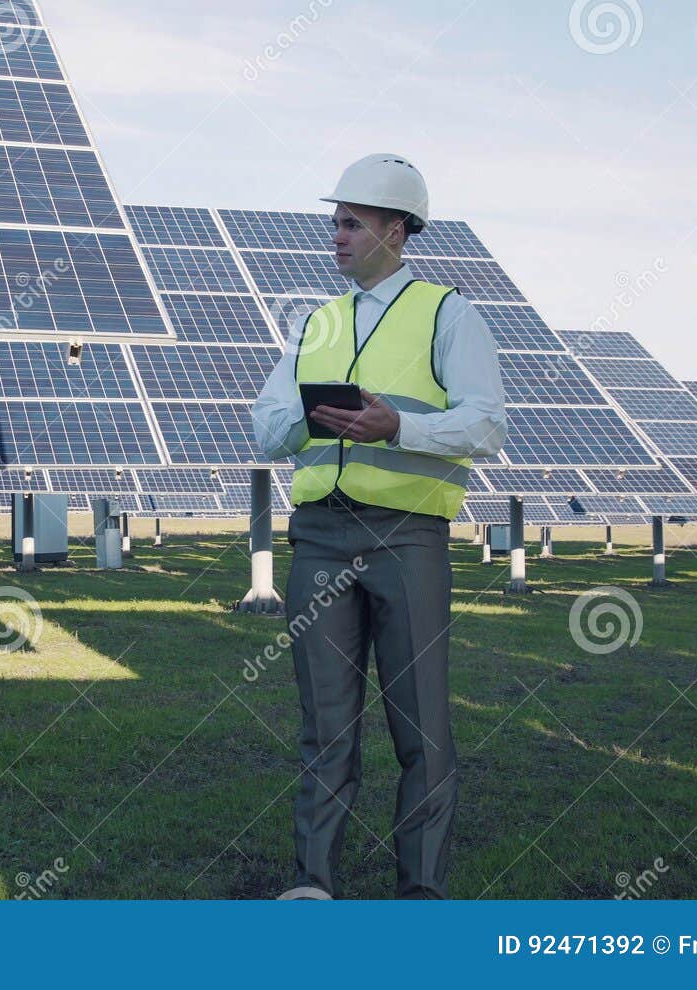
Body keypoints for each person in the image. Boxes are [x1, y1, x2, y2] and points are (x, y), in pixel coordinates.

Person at [251, 153, 506, 899]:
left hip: (408, 540)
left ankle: (419, 898)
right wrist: (308, 415)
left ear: (397, 231)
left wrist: (398, 429)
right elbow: (267, 428)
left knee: (421, 730)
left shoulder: (449, 313)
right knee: (324, 725)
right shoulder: (316, 323)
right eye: (335, 221)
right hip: (321, 538)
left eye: (352, 222)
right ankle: (312, 886)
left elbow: (486, 427)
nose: (336, 235)